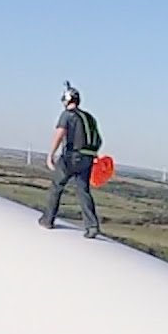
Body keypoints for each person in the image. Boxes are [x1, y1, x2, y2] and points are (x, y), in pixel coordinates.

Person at [38, 81, 101, 238]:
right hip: (87, 158)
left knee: (57, 187)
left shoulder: (67, 115)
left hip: (71, 157)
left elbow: (59, 134)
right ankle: (92, 226)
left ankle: (48, 219)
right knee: (83, 191)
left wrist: (50, 155)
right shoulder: (88, 117)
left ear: (67, 100)